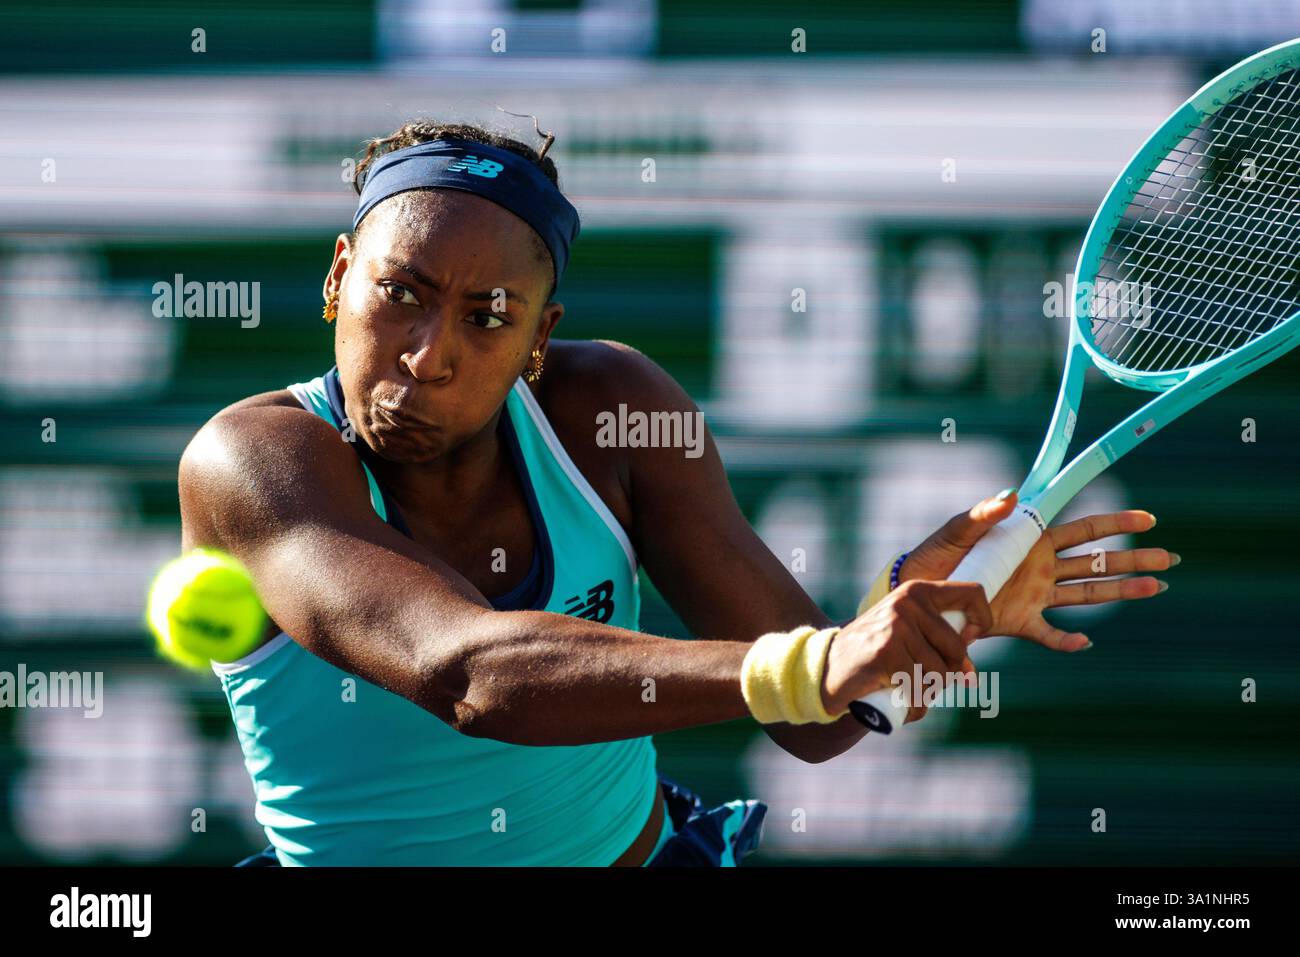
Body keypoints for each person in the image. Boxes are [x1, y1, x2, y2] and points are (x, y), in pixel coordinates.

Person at [181, 120, 1174, 866]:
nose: (430, 354)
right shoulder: (252, 461)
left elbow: (818, 722)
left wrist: (919, 624)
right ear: (339, 275)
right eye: (400, 292)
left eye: (488, 317)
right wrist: (820, 661)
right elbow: (465, 675)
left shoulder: (611, 409)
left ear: (537, 342)